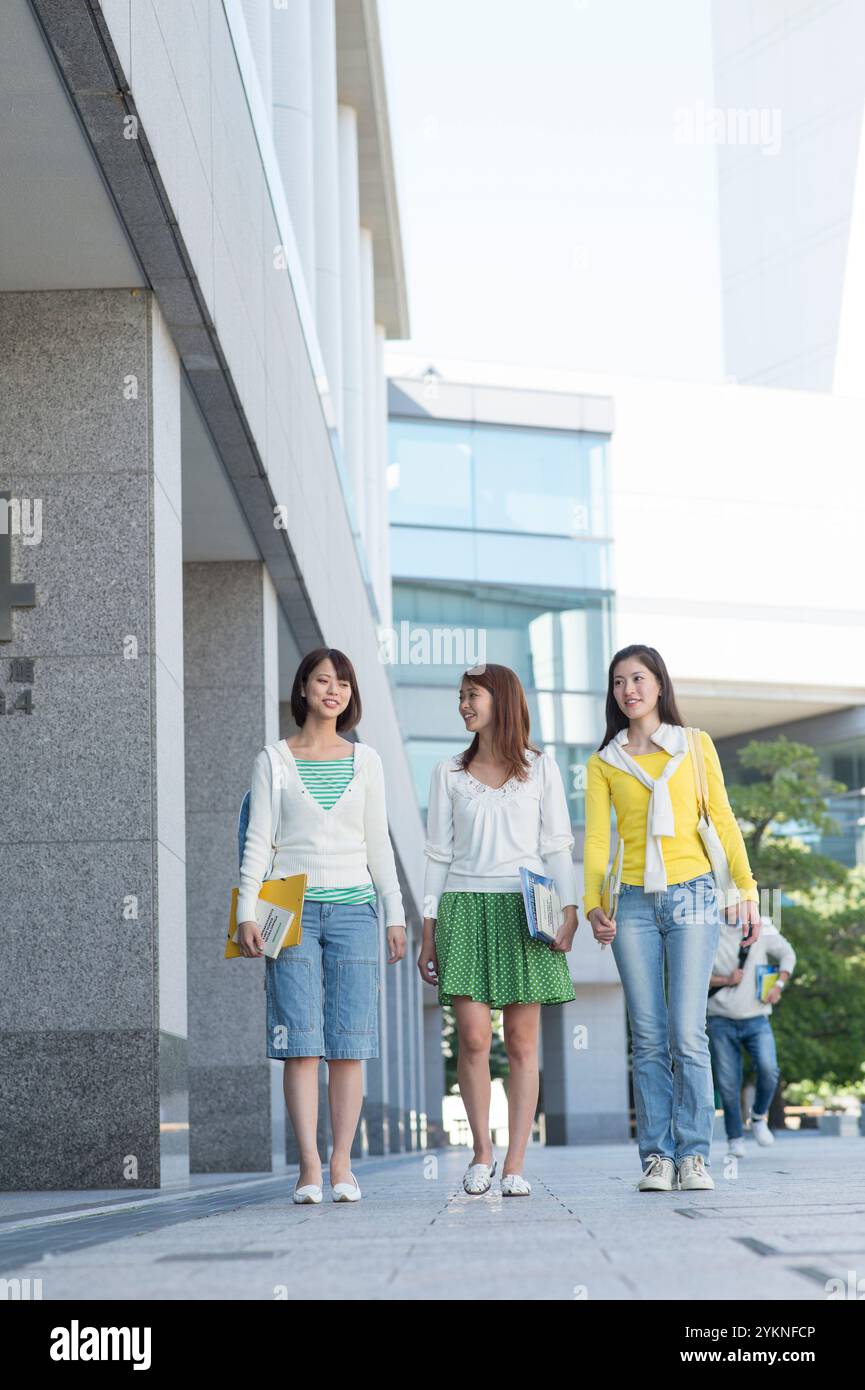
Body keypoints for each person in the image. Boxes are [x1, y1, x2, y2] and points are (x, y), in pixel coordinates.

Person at [583, 644, 761, 1193]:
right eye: (618, 682)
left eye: (638, 678)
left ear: (659, 685)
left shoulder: (696, 746)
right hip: (632, 901)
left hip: (694, 895)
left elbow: (723, 819)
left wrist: (746, 888)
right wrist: (594, 903)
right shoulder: (604, 762)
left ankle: (694, 1156)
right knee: (650, 1035)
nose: (628, 690)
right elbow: (595, 839)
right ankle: (657, 1157)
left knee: (688, 1031)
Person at [236, 648, 407, 1204]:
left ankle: (342, 1164)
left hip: (357, 910)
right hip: (290, 909)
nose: (333, 691)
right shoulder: (274, 760)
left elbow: (377, 843)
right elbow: (258, 841)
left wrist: (395, 913)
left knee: (350, 1042)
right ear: (304, 689)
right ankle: (309, 1165)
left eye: (342, 683)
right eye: (322, 681)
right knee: (301, 1042)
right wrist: (244, 910)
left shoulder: (367, 762)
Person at [418, 663, 578, 1197]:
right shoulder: (448, 772)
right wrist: (427, 928)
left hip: (526, 908)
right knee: (473, 1036)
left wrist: (569, 909)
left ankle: (515, 1163)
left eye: (473, 696)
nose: (464, 705)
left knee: (524, 1043)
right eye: (461, 696)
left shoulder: (541, 768)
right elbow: (437, 853)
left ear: (502, 700)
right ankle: (481, 1153)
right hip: (463, 907)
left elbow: (557, 844)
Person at [708, 914, 795, 1154]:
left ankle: (758, 1117)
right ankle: (735, 1137)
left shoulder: (761, 925)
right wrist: (725, 980)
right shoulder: (707, 928)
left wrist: (778, 985)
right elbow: (692, 977)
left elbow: (788, 954)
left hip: (756, 1018)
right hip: (720, 1019)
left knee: (769, 1069)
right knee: (727, 1083)